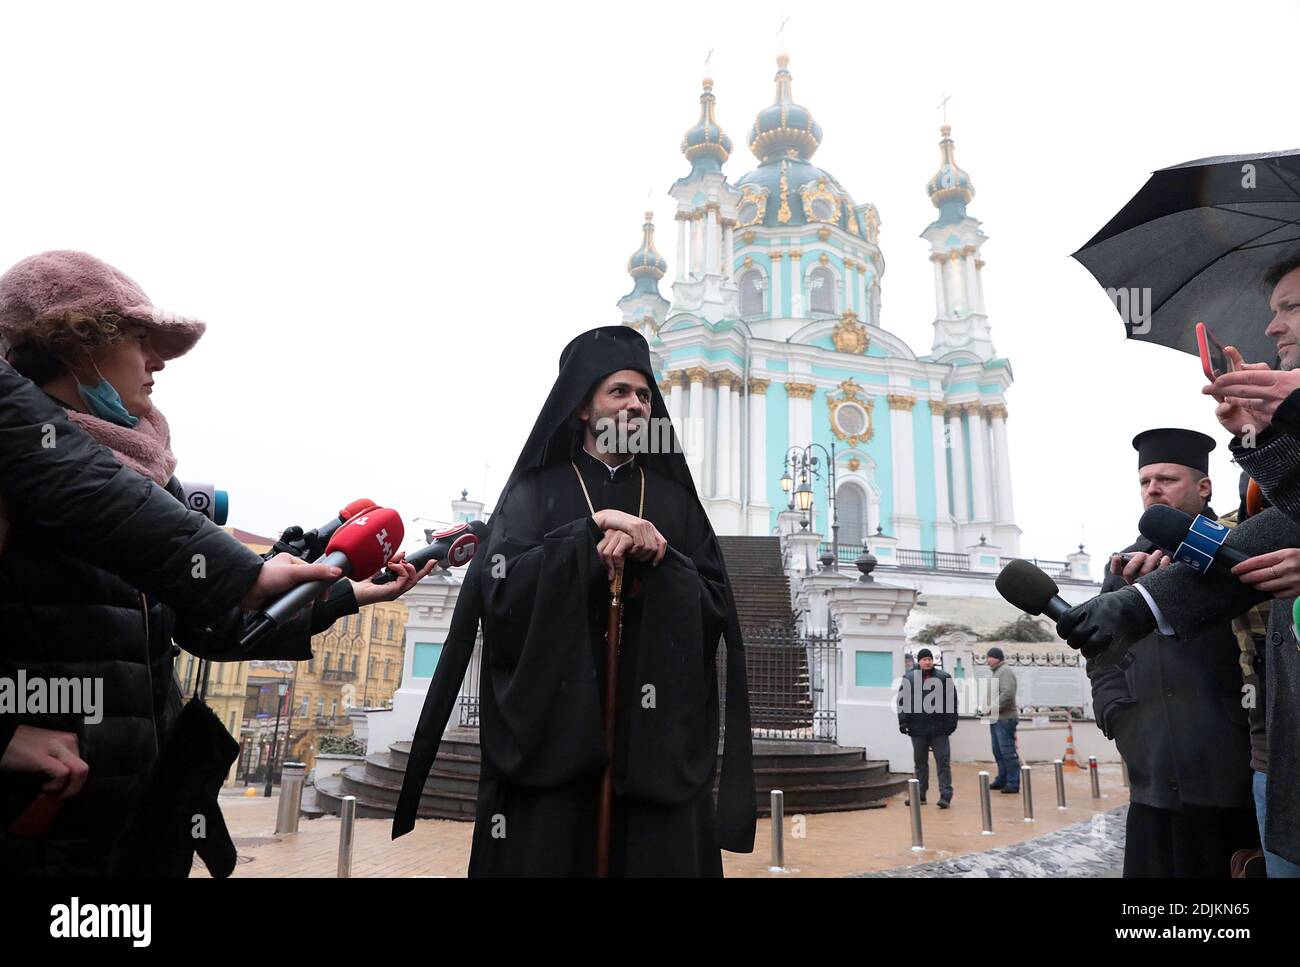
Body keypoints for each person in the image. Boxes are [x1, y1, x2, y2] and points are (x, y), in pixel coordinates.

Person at [0, 250, 431, 876]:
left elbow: (209, 627)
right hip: (35, 828)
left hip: (136, 826)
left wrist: (348, 593)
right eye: (140, 340)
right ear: (76, 344)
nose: (158, 363)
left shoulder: (150, 476)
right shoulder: (15, 476)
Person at [393, 325, 755, 876]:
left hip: (651, 753)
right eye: (620, 392)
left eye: (644, 395)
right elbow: (501, 589)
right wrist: (585, 536)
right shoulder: (533, 495)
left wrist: (659, 558)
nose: (636, 405)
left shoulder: (675, 503)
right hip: (554, 746)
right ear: (584, 406)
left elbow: (714, 608)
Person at [1086, 428, 1256, 878]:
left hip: (1230, 775)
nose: (1153, 489)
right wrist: (1116, 713)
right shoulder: (1122, 563)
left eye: (1166, 479)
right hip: (1153, 779)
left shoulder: (1238, 549)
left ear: (1204, 487)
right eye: (1145, 482)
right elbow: (1102, 656)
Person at [897, 648, 957, 808]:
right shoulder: (909, 678)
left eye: (929, 659)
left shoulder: (944, 678)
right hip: (917, 729)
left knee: (943, 763)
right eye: (924, 659)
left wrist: (951, 724)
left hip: (939, 729)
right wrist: (903, 722)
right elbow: (902, 701)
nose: (927, 662)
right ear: (919, 661)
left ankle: (945, 795)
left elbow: (952, 702)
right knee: (920, 763)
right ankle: (920, 794)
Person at [983, 647, 1020, 793]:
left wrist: (992, 707)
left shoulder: (1005, 671)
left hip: (1005, 719)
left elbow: (1008, 693)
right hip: (995, 718)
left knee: (1007, 752)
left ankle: (1013, 782)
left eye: (989, 657)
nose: (987, 660)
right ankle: (1002, 779)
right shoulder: (997, 672)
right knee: (997, 751)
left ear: (996, 658)